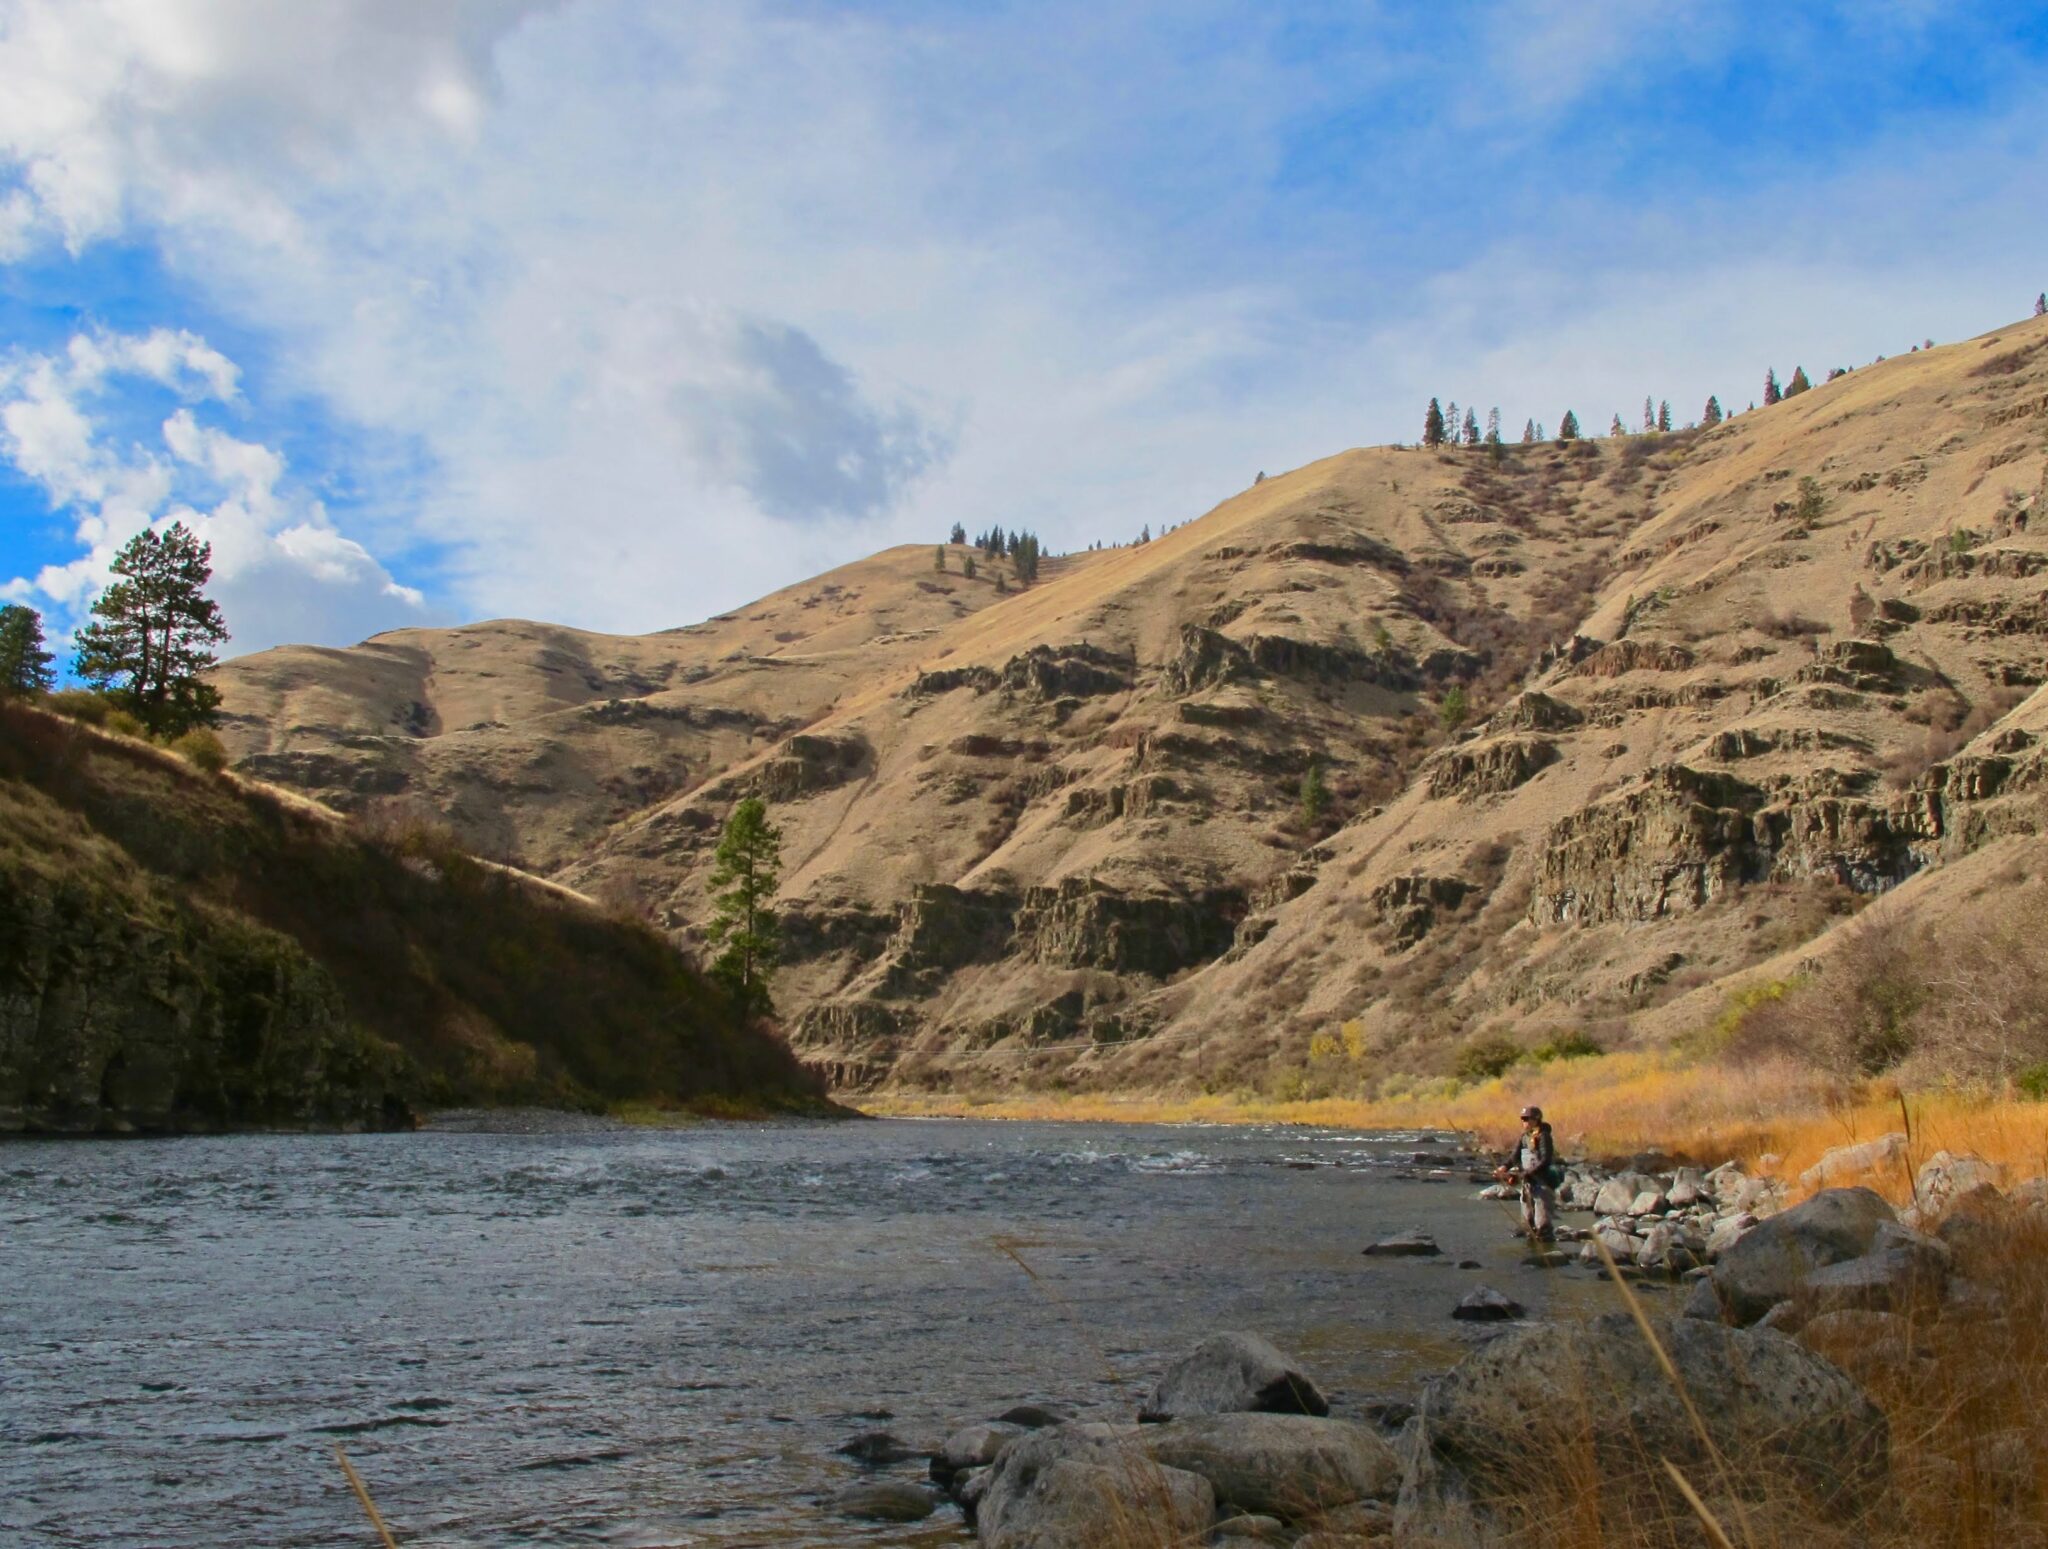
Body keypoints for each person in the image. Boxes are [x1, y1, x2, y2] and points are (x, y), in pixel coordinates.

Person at [1494, 1105, 1559, 1243]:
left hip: (1543, 1183)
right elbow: (1514, 1157)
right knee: (1528, 1223)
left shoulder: (1544, 1136)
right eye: (1522, 1119)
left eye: (1527, 1119)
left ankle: (1548, 1253)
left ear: (1536, 1119)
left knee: (1542, 1225)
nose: (1524, 1122)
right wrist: (1503, 1168)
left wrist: (1526, 1173)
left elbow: (1545, 1160)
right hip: (1528, 1184)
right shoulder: (1524, 1137)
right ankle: (1532, 1248)